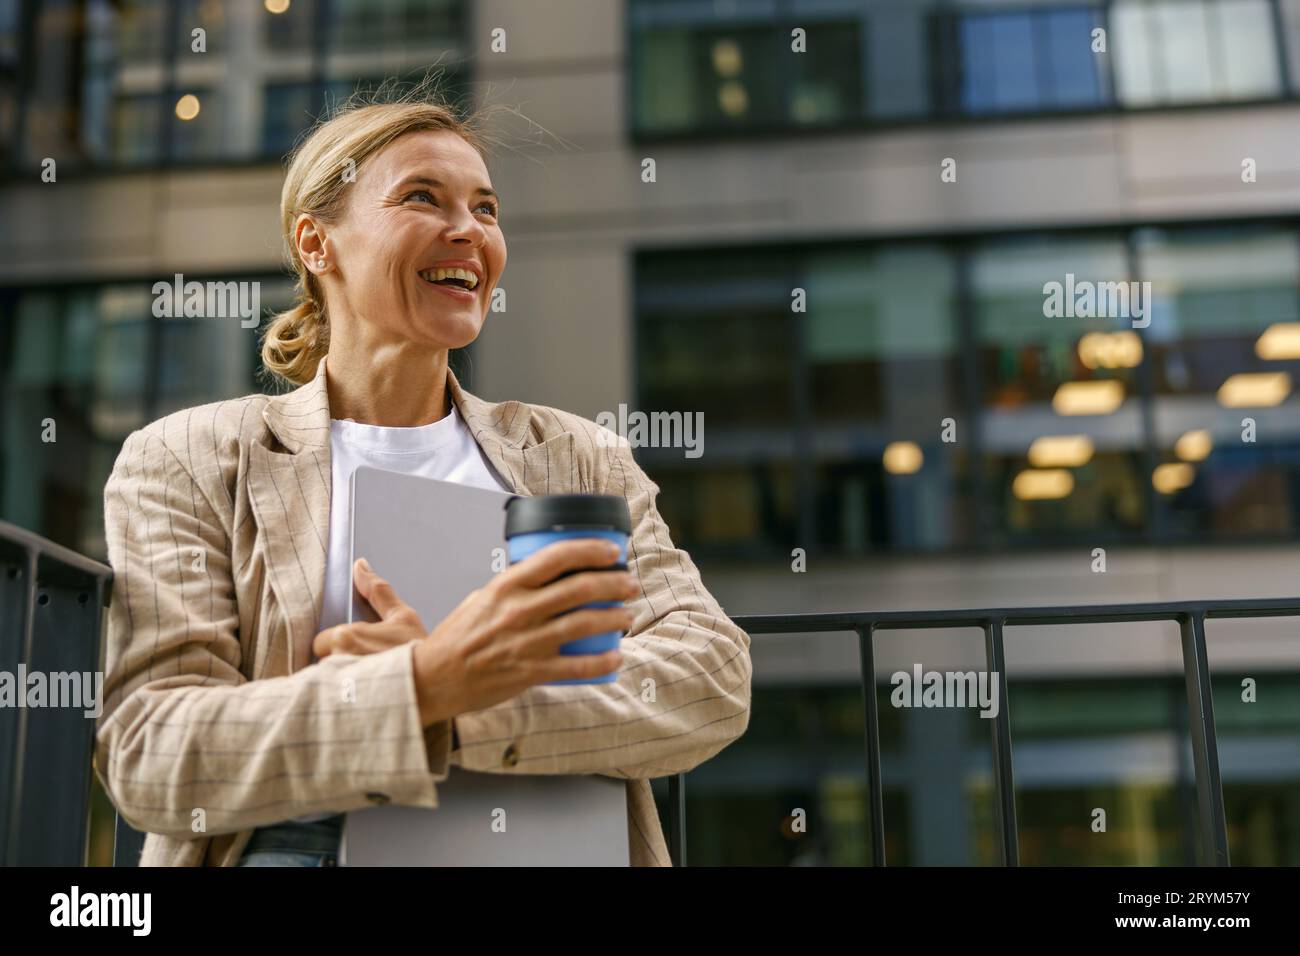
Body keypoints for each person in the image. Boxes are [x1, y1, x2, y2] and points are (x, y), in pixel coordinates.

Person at [94, 85, 752, 867]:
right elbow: (154, 756)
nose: (468, 230)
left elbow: (711, 678)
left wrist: (466, 698)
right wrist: (420, 686)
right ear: (316, 243)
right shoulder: (192, 457)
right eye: (422, 197)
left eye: (487, 208)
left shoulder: (579, 456)